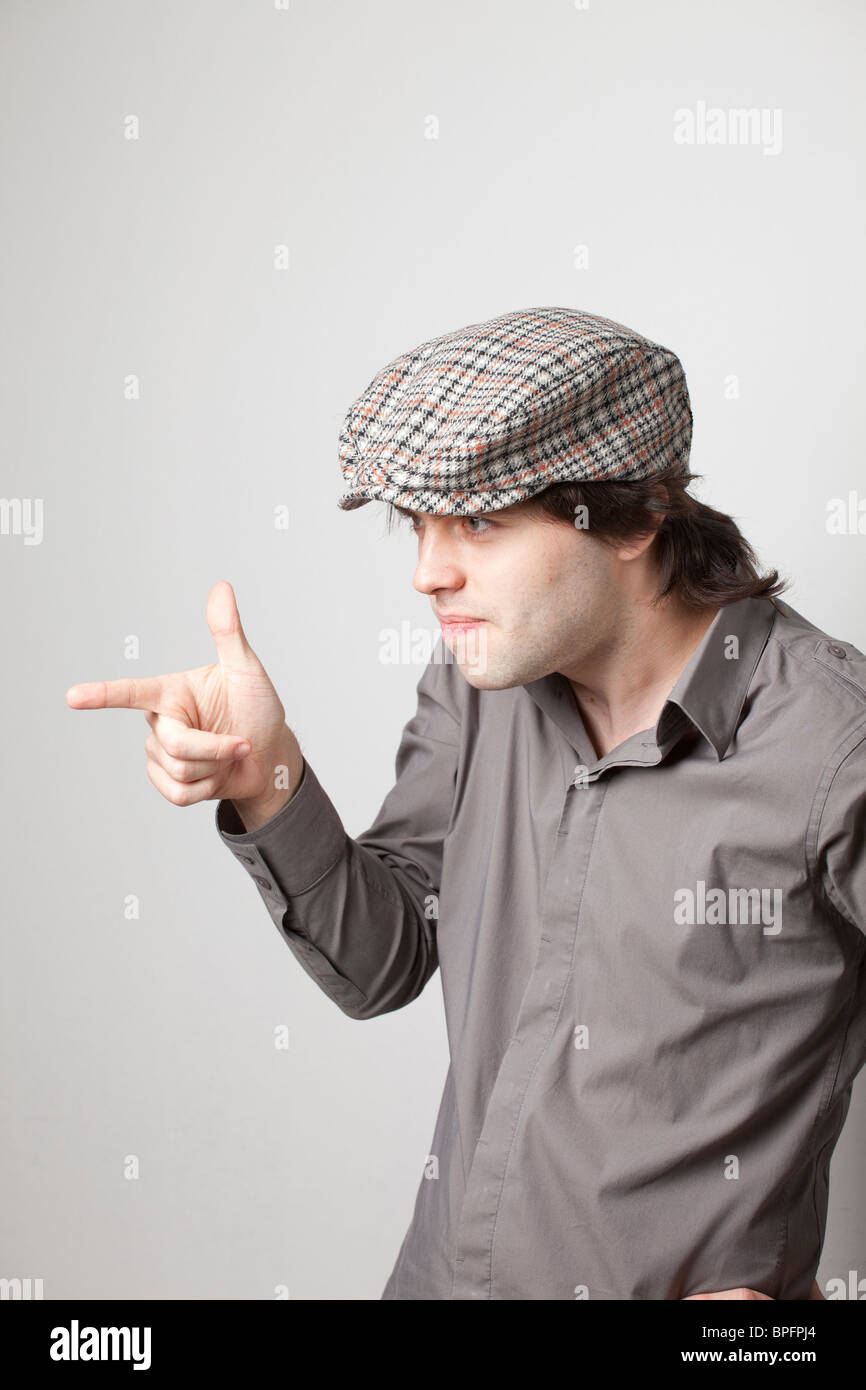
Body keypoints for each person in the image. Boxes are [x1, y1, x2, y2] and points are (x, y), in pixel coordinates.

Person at [66, 306, 862, 1300]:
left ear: (633, 515)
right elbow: (382, 962)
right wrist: (266, 777)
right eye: (418, 522)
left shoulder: (831, 744)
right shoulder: (476, 685)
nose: (425, 572)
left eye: (479, 521)